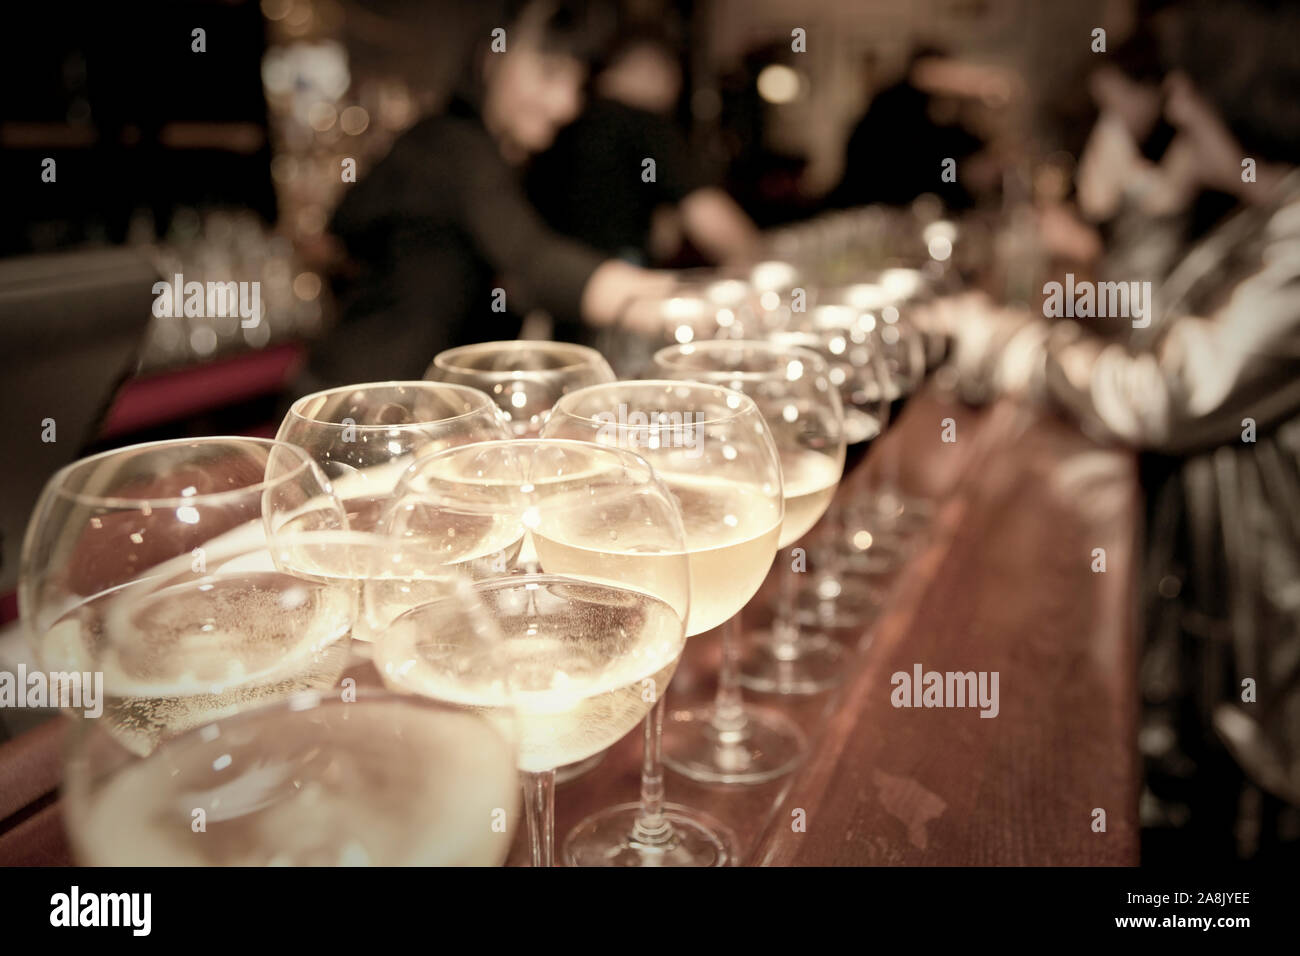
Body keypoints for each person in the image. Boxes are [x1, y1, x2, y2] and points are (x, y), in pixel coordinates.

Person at [921, 0, 1300, 862]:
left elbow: (1163, 393)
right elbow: (1145, 327)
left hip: (1274, 597)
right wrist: (1160, 208)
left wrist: (1009, 344)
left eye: (1189, 89)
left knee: (1244, 823)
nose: (1174, 108)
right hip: (1221, 584)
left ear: (1237, 99)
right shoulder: (1265, 211)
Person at [300, 0, 670, 391]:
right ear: (490, 59)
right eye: (549, 73)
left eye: (575, 83)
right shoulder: (451, 144)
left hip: (416, 405)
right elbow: (535, 263)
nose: (567, 104)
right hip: (362, 410)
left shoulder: (494, 155)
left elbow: (347, 221)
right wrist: (673, 301)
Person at [526, 27, 759, 268]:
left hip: (549, 274)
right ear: (652, 69)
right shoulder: (641, 121)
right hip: (614, 276)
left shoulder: (558, 124)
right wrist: (765, 267)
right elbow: (710, 215)